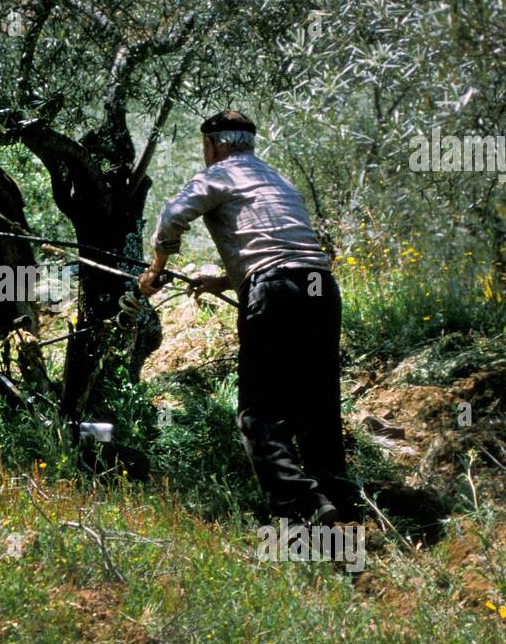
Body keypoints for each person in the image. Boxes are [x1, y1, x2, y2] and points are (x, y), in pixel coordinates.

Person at [138, 110, 356, 524]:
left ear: (213, 145)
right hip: (318, 287)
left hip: (274, 291)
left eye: (205, 147)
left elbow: (172, 216)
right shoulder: (278, 180)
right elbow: (283, 248)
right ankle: (339, 501)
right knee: (318, 403)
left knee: (259, 414)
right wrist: (225, 280)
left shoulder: (218, 174)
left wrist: (156, 269)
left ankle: (301, 505)